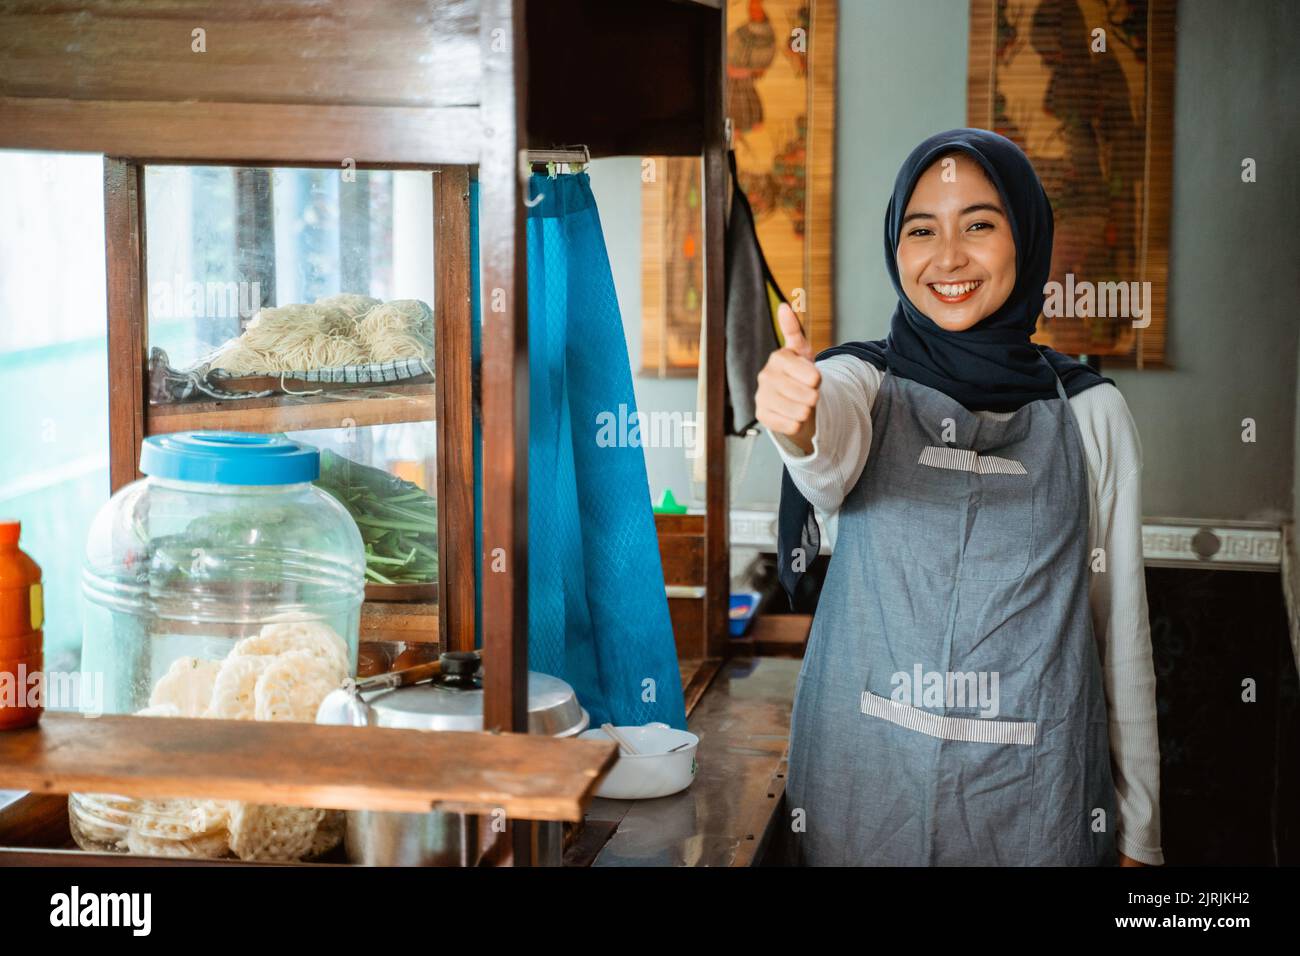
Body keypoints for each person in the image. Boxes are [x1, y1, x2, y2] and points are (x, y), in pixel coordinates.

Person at [757, 128, 1161, 866]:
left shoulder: (1093, 413)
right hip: (863, 795)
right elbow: (825, 456)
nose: (947, 257)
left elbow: (1121, 631)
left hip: (1038, 804)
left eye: (979, 224)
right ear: (895, 247)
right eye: (922, 231)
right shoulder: (860, 385)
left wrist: (1141, 835)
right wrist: (799, 419)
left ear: (1028, 239)